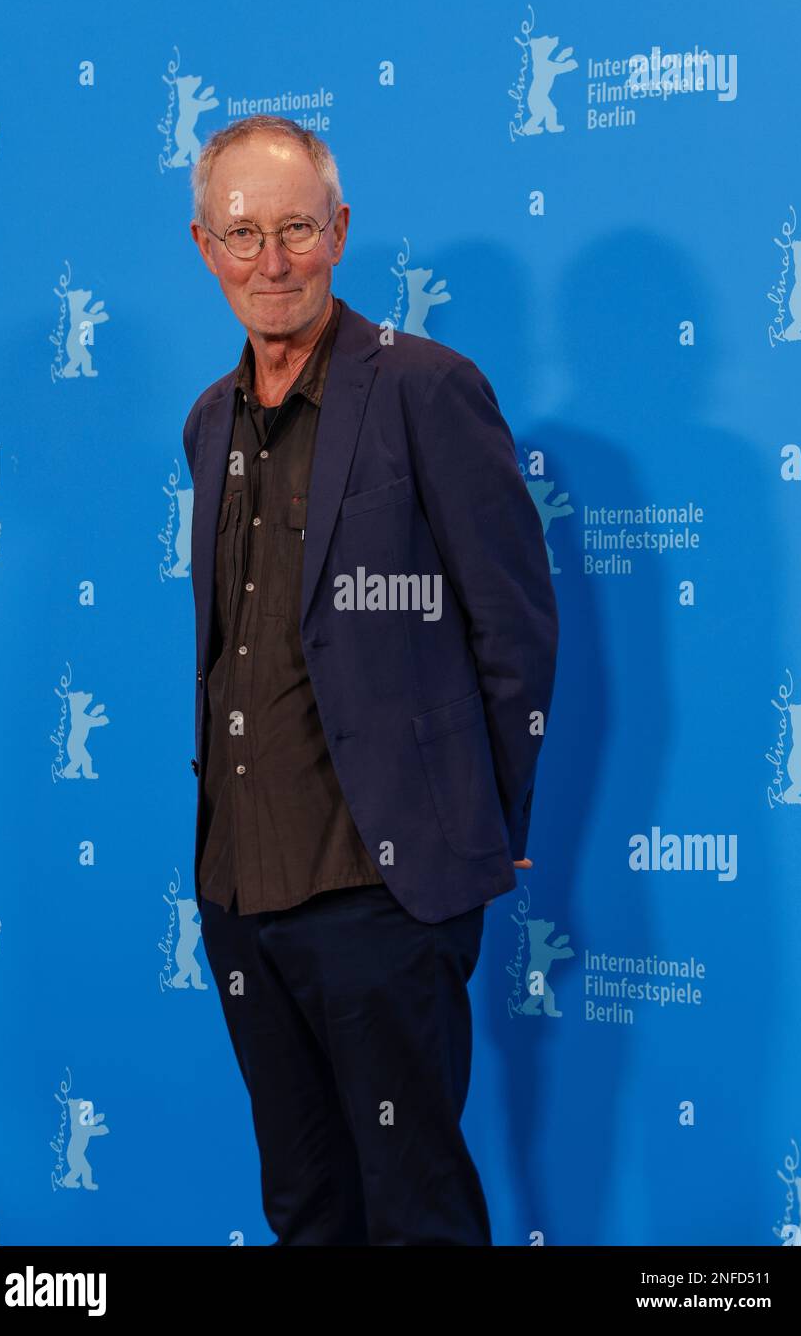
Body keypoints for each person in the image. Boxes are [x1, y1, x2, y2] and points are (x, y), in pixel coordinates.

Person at [183, 115, 559, 1245]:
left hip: (381, 893)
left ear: (338, 231)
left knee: (415, 1213)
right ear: (204, 246)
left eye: (296, 227)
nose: (272, 260)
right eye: (243, 234)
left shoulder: (426, 388)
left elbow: (515, 625)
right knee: (303, 1205)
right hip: (243, 894)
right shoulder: (207, 424)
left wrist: (490, 817)